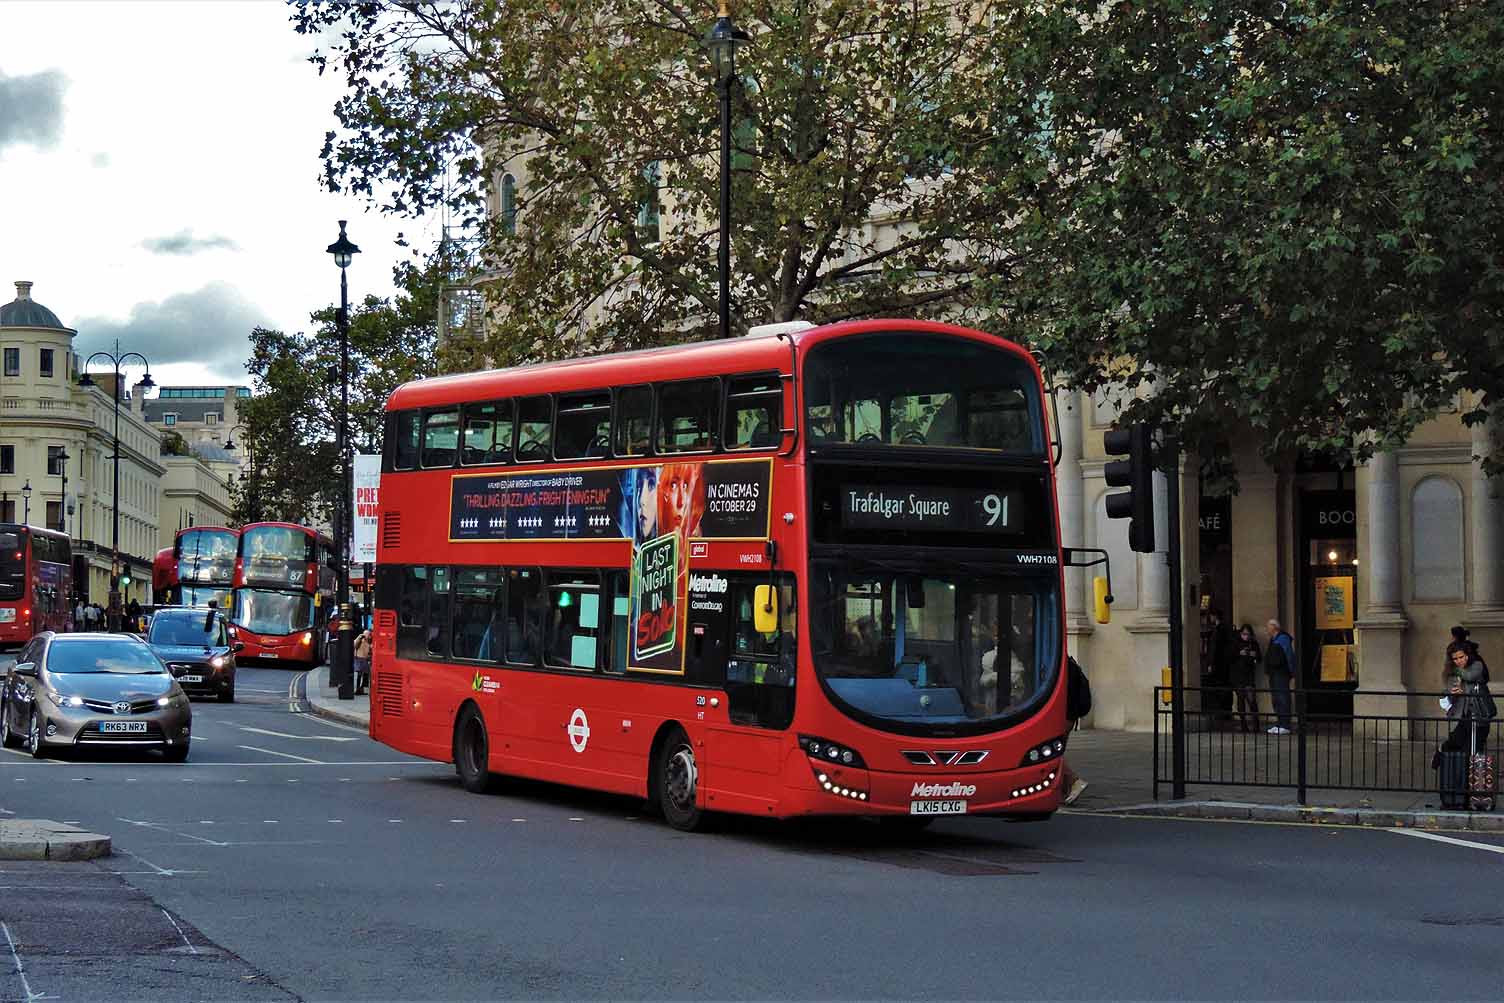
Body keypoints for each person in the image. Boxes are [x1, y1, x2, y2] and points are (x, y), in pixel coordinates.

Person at [1263, 618, 1296, 734]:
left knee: (1282, 698)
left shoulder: (1282, 639)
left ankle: (1285, 724)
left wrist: (1290, 671)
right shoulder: (1273, 640)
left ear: (1274, 628)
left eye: (1268, 627)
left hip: (1281, 673)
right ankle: (1280, 723)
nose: (1267, 630)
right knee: (1276, 699)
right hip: (1274, 673)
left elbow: (1288, 657)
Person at [1231, 623, 1261, 734]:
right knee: (1240, 700)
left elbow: (1259, 658)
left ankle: (1256, 725)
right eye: (1244, 634)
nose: (1246, 636)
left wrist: (1254, 654)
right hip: (1238, 675)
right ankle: (1243, 725)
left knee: (1251, 699)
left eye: (1248, 634)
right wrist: (1239, 653)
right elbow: (1230, 657)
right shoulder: (1236, 643)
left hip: (1249, 675)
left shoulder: (1253, 644)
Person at [352, 628, 373, 694]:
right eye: (366, 634)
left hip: (365, 660)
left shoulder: (369, 642)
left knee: (365, 675)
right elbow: (354, 644)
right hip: (359, 659)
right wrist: (359, 637)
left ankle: (361, 689)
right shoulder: (360, 640)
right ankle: (358, 689)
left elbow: (371, 650)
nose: (367, 636)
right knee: (359, 674)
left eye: (368, 634)